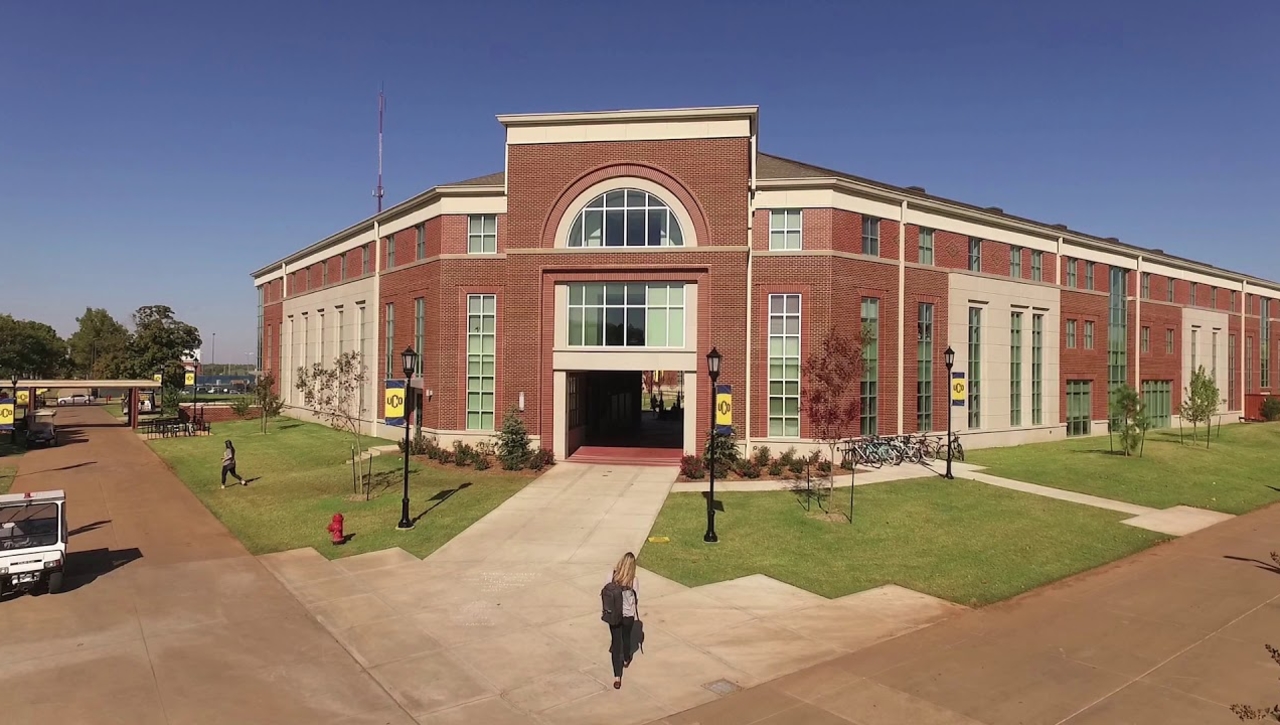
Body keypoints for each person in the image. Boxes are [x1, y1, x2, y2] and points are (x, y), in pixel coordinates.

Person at [605, 552, 639, 689]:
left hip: (613, 614)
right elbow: (636, 599)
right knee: (626, 637)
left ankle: (617, 676)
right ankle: (626, 658)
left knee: (615, 643)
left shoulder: (611, 576)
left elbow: (605, 591)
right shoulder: (633, 580)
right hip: (627, 616)